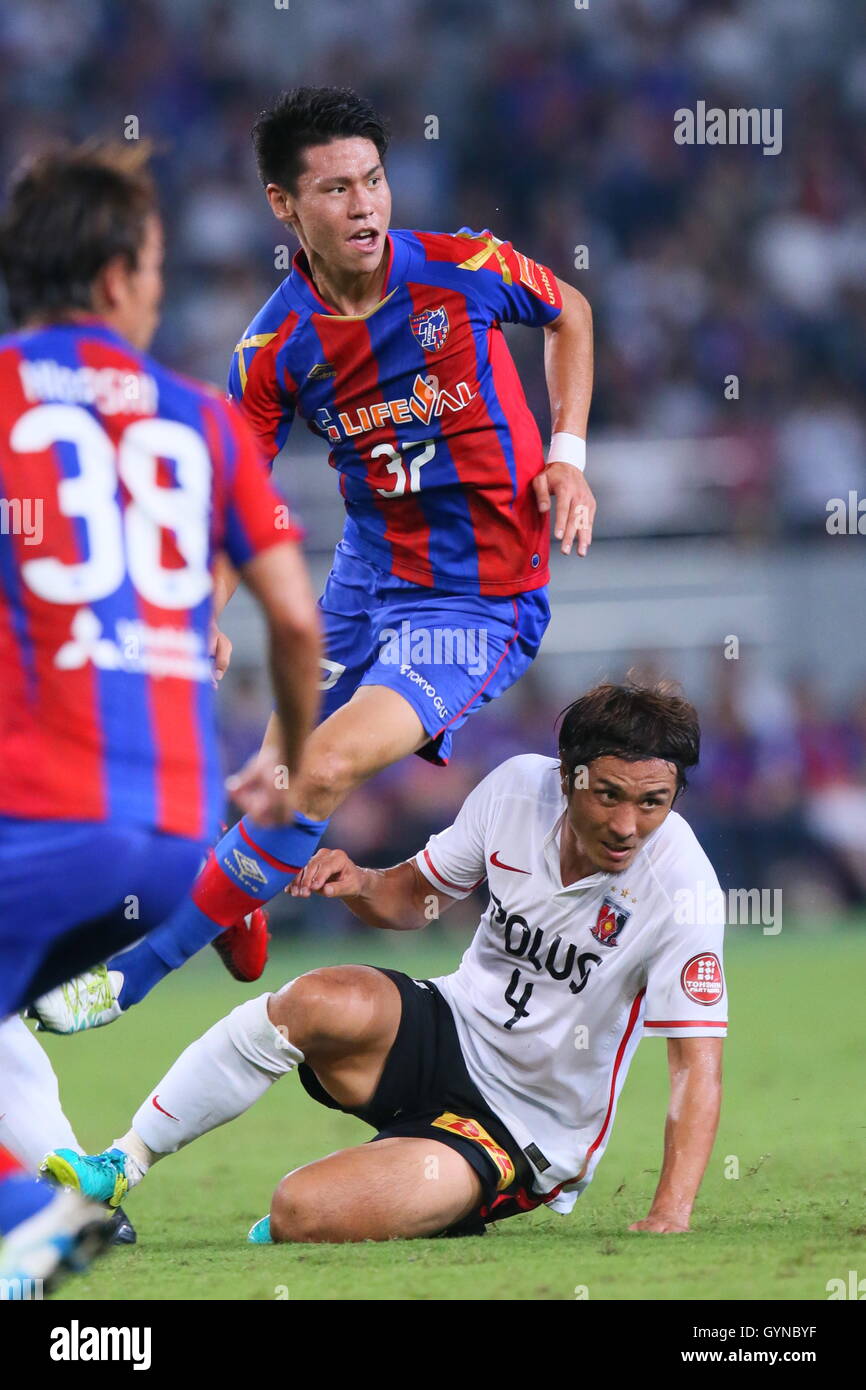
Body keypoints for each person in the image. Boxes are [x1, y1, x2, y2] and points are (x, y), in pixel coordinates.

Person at [33, 83, 596, 1032]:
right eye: (336, 190)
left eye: (374, 181)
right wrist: (206, 609)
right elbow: (230, 494)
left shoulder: (463, 269)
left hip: (479, 602)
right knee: (278, 780)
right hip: (366, 582)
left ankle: (124, 978)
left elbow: (569, 310)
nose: (366, 205)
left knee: (315, 772)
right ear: (283, 207)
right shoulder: (275, 346)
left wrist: (567, 455)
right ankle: (243, 894)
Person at [46, 683, 727, 1242]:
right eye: (607, 794)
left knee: (300, 1213)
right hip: (449, 1027)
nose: (626, 825)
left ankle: (431, 1190)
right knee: (310, 1001)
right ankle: (121, 1164)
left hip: (524, 1127)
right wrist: (365, 882)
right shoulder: (519, 789)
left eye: (651, 803)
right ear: (567, 775)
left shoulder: (683, 889)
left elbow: (695, 1065)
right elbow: (418, 899)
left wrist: (672, 1211)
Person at [0, 141, 321, 1291]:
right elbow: (293, 624)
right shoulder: (203, 421)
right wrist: (287, 756)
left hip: (32, 822)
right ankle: (48, 1199)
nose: (157, 286)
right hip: (173, 838)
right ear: (115, 275)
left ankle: (37, 1224)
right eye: (153, 264)